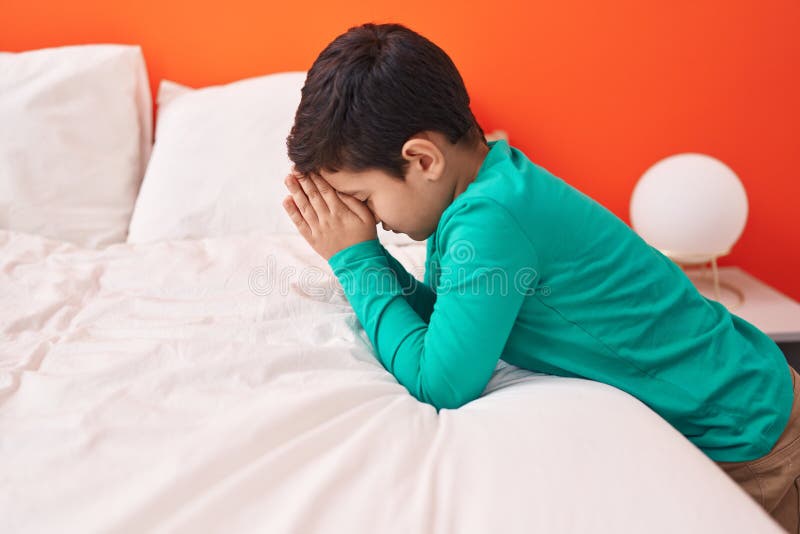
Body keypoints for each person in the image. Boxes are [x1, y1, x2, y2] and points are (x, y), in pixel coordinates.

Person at [281, 22, 800, 532]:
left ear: (422, 159)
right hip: (748, 396)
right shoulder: (482, 193)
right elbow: (447, 325)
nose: (369, 219)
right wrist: (365, 258)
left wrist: (357, 259)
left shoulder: (492, 219)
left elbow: (439, 383)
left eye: (366, 199)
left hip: (746, 433)